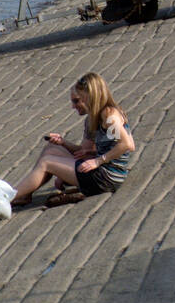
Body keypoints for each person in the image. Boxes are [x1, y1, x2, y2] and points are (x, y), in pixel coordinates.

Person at [10, 73, 135, 207]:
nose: (73, 106)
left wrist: (98, 161)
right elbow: (83, 150)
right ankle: (25, 195)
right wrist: (63, 143)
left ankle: (8, 197)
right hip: (101, 169)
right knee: (51, 149)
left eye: (76, 101)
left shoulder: (109, 115)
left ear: (90, 96)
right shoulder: (92, 119)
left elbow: (127, 145)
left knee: (47, 162)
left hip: (107, 177)